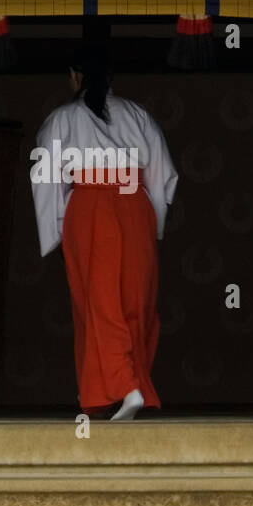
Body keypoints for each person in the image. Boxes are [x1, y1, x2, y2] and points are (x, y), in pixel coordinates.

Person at [30, 51, 178, 421]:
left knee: (99, 302)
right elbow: (163, 176)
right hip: (136, 206)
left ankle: (125, 388)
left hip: (91, 207)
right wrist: (153, 224)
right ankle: (122, 388)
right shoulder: (138, 114)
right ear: (111, 78)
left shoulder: (62, 118)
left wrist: (59, 232)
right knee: (135, 301)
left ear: (74, 76)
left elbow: (46, 181)